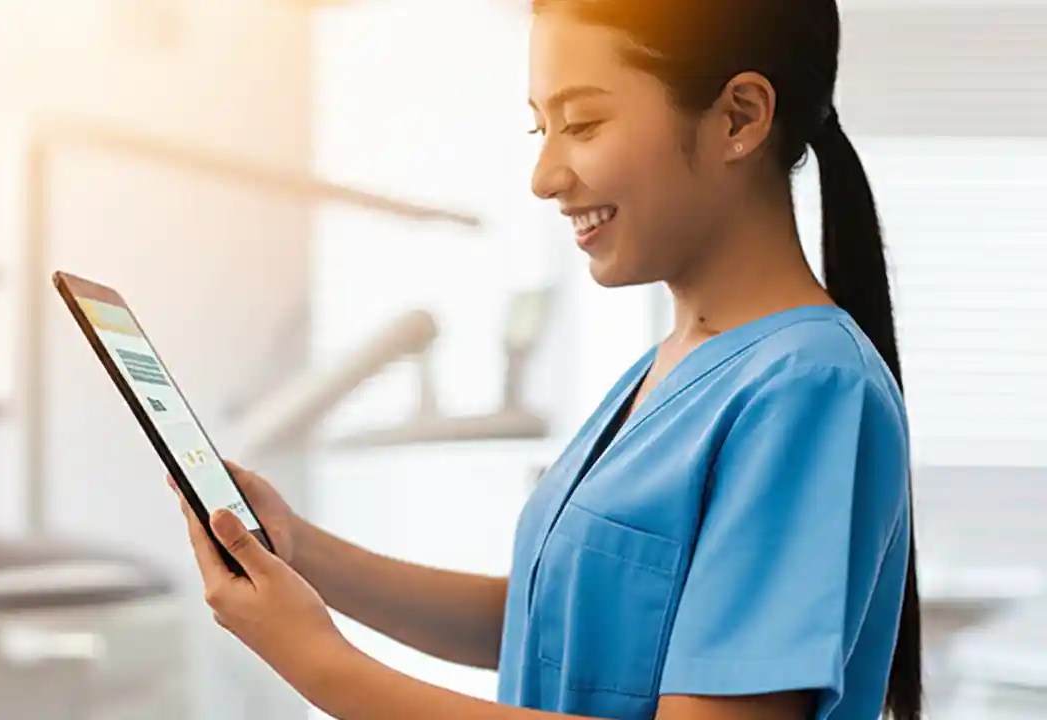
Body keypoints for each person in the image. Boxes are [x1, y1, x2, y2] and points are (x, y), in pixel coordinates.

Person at [168, 1, 920, 718]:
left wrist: (322, 668)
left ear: (739, 117)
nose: (545, 177)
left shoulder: (809, 389)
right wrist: (303, 553)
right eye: (542, 131)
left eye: (583, 124)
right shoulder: (670, 367)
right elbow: (554, 628)